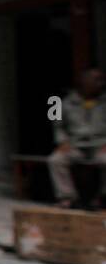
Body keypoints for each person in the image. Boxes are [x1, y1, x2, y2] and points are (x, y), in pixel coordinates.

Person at [50, 67, 106, 209]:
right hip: (76, 144)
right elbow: (58, 125)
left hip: (100, 144)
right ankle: (67, 198)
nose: (101, 83)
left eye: (101, 80)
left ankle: (102, 198)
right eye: (96, 80)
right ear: (84, 82)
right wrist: (62, 141)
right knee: (56, 160)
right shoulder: (65, 103)